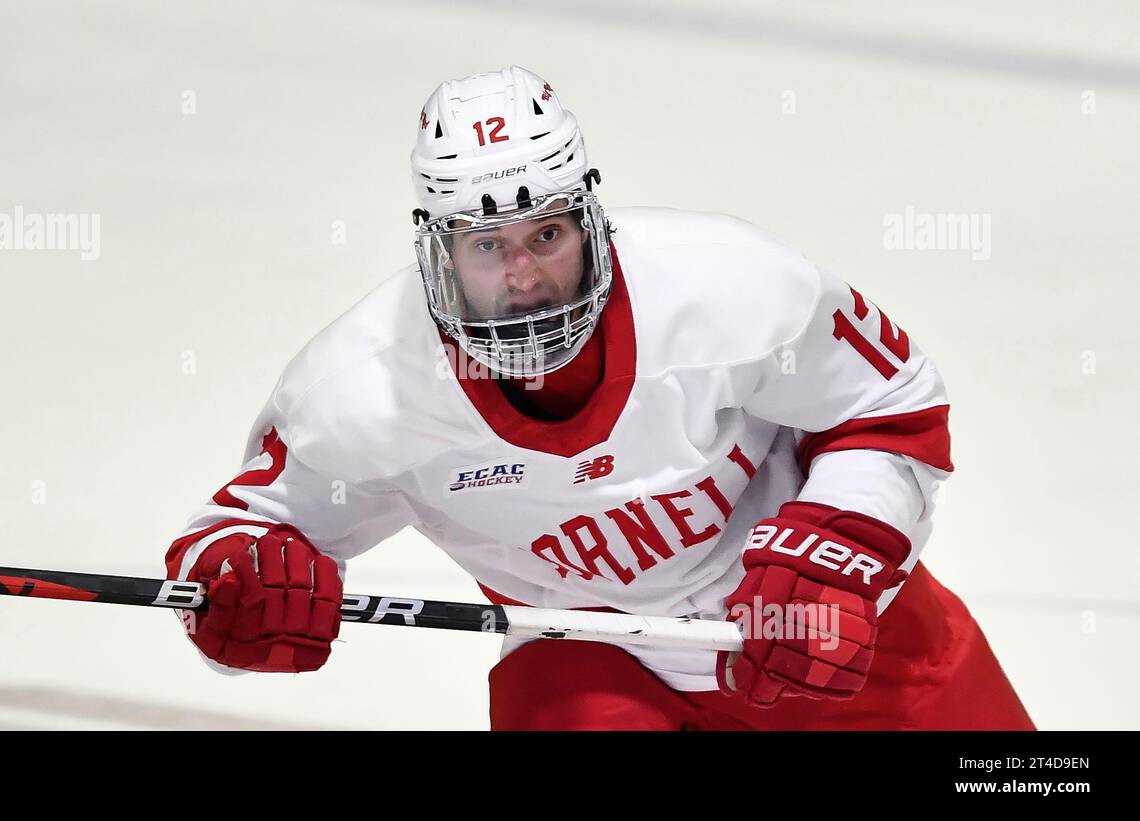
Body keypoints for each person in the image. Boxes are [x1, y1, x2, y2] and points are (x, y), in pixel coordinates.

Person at [164, 66, 1034, 730]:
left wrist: (836, 550)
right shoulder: (363, 390)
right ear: (438, 250)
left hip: (824, 639)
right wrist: (240, 595)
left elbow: (890, 401)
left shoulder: (728, 287)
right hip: (594, 672)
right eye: (485, 245)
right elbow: (241, 540)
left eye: (545, 233)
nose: (524, 274)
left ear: (589, 220)